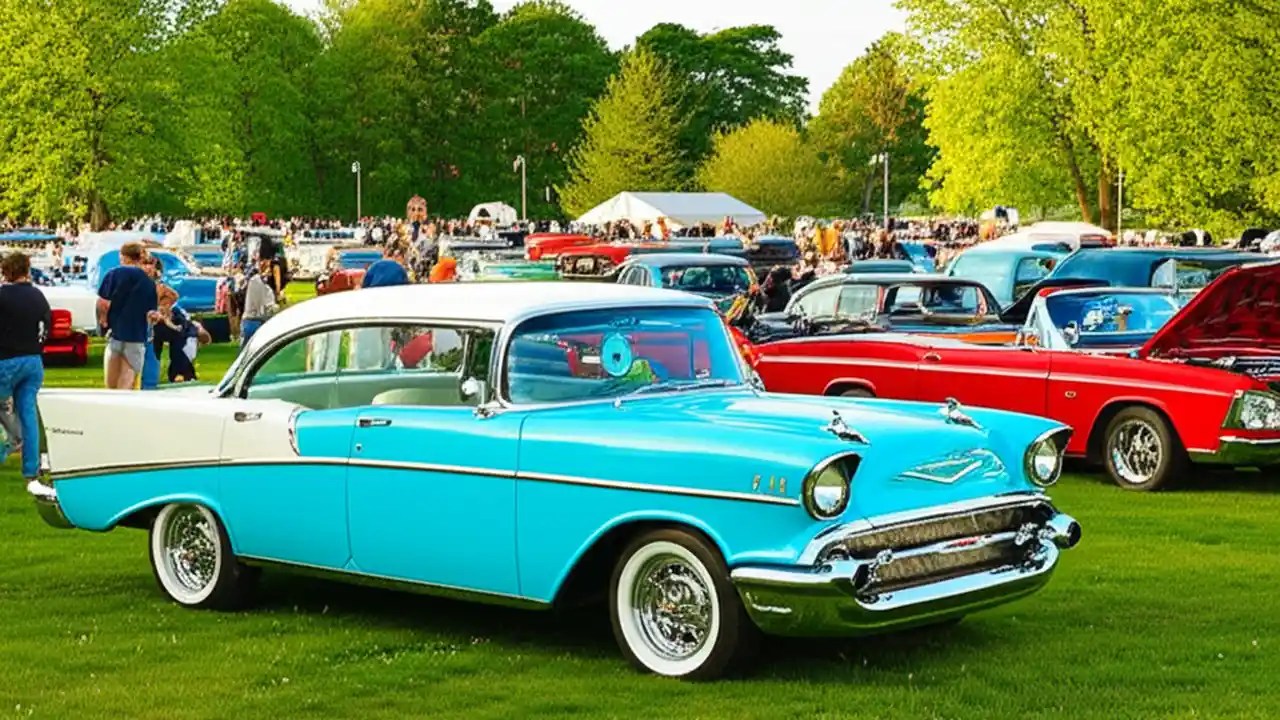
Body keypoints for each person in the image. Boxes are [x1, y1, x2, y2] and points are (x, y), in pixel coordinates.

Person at [0, 252, 51, 492]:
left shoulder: (2, 296)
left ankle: (12, 442)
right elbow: (46, 327)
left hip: (6, 360)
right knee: (28, 413)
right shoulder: (38, 296)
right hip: (33, 360)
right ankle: (31, 469)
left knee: (4, 410)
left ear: (6, 271)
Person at [97, 242, 159, 390]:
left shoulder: (113, 274)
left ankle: (112, 397)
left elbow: (103, 303)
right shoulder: (148, 282)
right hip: (136, 334)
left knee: (112, 371)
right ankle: (123, 398)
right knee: (129, 369)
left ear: (123, 256)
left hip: (115, 332)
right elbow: (151, 313)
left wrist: (103, 321)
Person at [240, 259, 278, 345]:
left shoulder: (265, 285)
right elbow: (261, 305)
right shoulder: (255, 281)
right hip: (252, 321)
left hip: (258, 321)